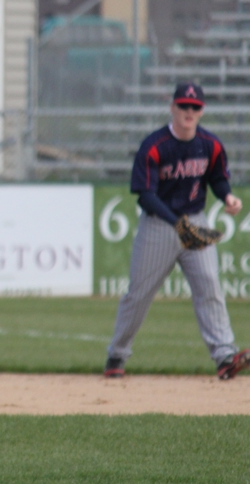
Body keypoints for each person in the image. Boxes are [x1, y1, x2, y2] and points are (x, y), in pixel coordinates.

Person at [105, 82, 249, 380]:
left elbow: (218, 178)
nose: (189, 112)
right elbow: (146, 194)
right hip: (159, 225)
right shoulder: (155, 145)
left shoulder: (211, 144)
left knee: (209, 285)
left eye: (195, 107)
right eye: (183, 106)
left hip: (195, 220)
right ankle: (117, 354)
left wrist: (228, 197)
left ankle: (224, 355)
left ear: (202, 111)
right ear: (172, 108)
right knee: (139, 294)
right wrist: (176, 223)